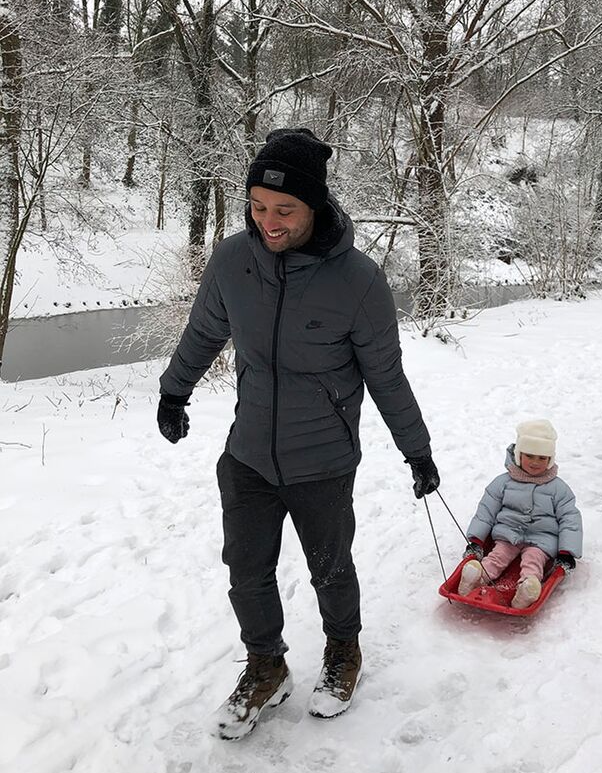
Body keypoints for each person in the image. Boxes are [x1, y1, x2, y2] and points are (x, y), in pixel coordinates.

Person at [157, 127, 439, 739]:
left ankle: (343, 652)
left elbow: (386, 378)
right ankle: (265, 666)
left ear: (317, 206)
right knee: (246, 569)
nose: (269, 222)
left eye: (285, 209)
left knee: (330, 567)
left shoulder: (358, 282)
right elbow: (204, 332)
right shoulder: (233, 261)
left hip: (323, 459)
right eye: (258, 207)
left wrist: (416, 451)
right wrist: (173, 390)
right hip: (249, 454)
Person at [457, 419, 581, 608]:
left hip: (541, 539)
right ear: (518, 454)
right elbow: (485, 512)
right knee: (497, 557)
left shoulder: (558, 488)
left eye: (542, 458)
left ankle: (527, 590)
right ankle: (476, 577)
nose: (535, 462)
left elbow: (570, 519)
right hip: (508, 534)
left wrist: (567, 552)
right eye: (530, 455)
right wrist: (476, 540)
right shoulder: (503, 482)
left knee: (533, 561)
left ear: (550, 460)